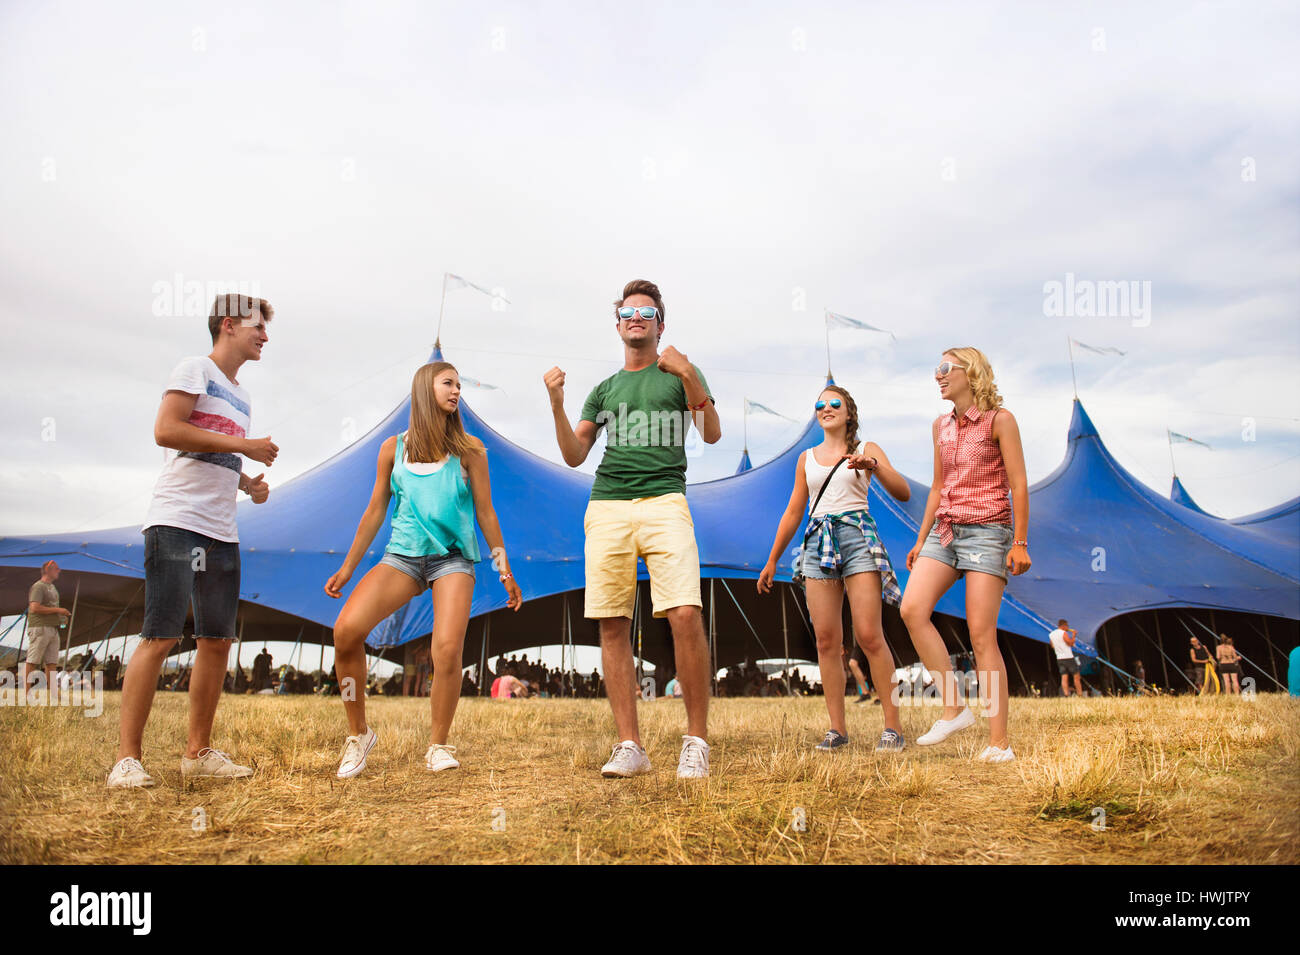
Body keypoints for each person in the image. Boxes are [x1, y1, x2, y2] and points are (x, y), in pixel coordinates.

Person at [544, 278, 721, 779]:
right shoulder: (604, 389)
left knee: (684, 612)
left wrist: (689, 375)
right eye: (627, 311)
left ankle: (696, 741)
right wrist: (557, 403)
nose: (635, 317)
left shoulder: (677, 374)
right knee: (611, 621)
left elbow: (710, 433)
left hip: (667, 501)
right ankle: (630, 746)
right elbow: (575, 454)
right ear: (618, 324)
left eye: (646, 311)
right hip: (607, 505)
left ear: (660, 324)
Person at [108, 294, 276, 789]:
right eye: (258, 327)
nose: (265, 336)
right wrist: (244, 445)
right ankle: (126, 760)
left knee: (217, 641)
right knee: (160, 635)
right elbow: (167, 430)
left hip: (222, 529)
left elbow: (211, 449)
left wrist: (247, 482)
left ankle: (197, 752)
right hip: (177, 521)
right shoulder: (193, 369)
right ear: (228, 325)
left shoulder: (241, 396)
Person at [325, 361, 522, 778]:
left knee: (447, 649)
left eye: (458, 385)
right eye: (448, 383)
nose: (456, 391)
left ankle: (438, 744)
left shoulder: (471, 450)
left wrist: (504, 569)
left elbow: (486, 513)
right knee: (345, 632)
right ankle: (358, 734)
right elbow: (375, 511)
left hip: (453, 558)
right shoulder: (391, 449)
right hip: (402, 557)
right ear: (424, 389)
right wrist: (348, 568)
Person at [758, 385, 910, 751]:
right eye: (820, 405)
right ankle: (837, 729)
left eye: (834, 403)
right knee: (827, 640)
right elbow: (794, 510)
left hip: (857, 536)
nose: (826, 408)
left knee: (869, 635)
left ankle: (893, 727)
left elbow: (902, 491)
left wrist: (873, 466)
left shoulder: (866, 450)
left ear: (848, 413)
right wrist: (772, 558)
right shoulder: (806, 458)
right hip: (818, 540)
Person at [899, 348, 1031, 764]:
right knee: (911, 609)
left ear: (969, 373)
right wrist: (921, 539)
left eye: (943, 369)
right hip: (945, 530)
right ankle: (954, 708)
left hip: (989, 531)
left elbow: (1019, 484)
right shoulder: (940, 426)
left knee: (980, 634)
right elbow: (938, 487)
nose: (937, 377)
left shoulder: (1000, 421)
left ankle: (999, 744)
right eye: (935, 369)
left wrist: (1020, 542)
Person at [23, 560, 70, 702]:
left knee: (52, 662)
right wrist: (58, 610)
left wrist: (60, 618)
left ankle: (54, 694)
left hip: (52, 629)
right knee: (33, 660)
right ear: (48, 570)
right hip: (40, 627)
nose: (59, 571)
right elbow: (34, 608)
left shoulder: (52, 588)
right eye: (56, 569)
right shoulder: (38, 587)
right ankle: (26, 692)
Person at [1048, 619, 1083, 697]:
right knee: (1076, 676)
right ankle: (1080, 694)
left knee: (1064, 676)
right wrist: (1074, 635)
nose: (1068, 628)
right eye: (1067, 626)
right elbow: (1070, 643)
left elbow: (1052, 645)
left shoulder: (1052, 634)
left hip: (1059, 658)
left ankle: (1066, 695)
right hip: (1068, 657)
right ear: (1064, 626)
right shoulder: (1063, 633)